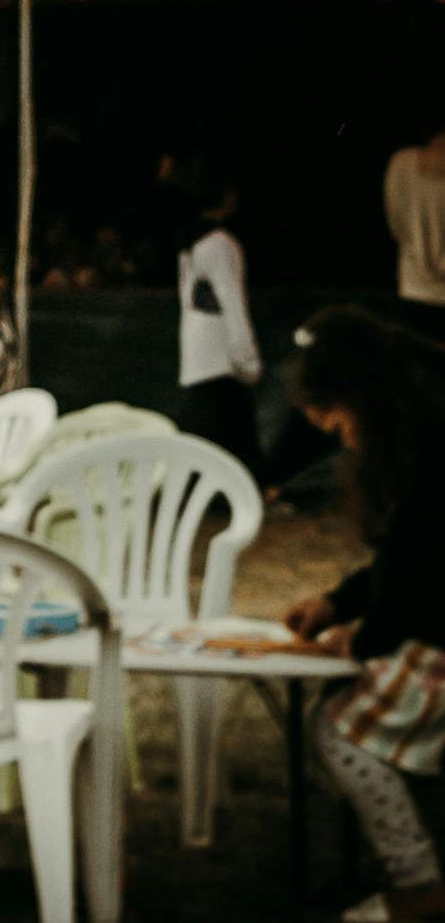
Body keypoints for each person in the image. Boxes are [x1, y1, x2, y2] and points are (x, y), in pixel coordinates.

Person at [284, 307, 445, 922]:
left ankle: (418, 883)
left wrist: (363, 639)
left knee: (342, 730)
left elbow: (419, 573)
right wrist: (337, 603)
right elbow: (401, 562)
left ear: (364, 400)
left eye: (340, 424)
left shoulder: (428, 460)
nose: (342, 439)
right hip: (427, 620)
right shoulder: (424, 435)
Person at [173, 166, 263, 477]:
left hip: (198, 360)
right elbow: (232, 303)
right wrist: (247, 357)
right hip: (220, 360)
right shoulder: (219, 244)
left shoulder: (192, 244)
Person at [384, 129, 445, 345]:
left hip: (414, 290)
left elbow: (396, 227)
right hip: (416, 294)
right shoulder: (403, 164)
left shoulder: (402, 164)